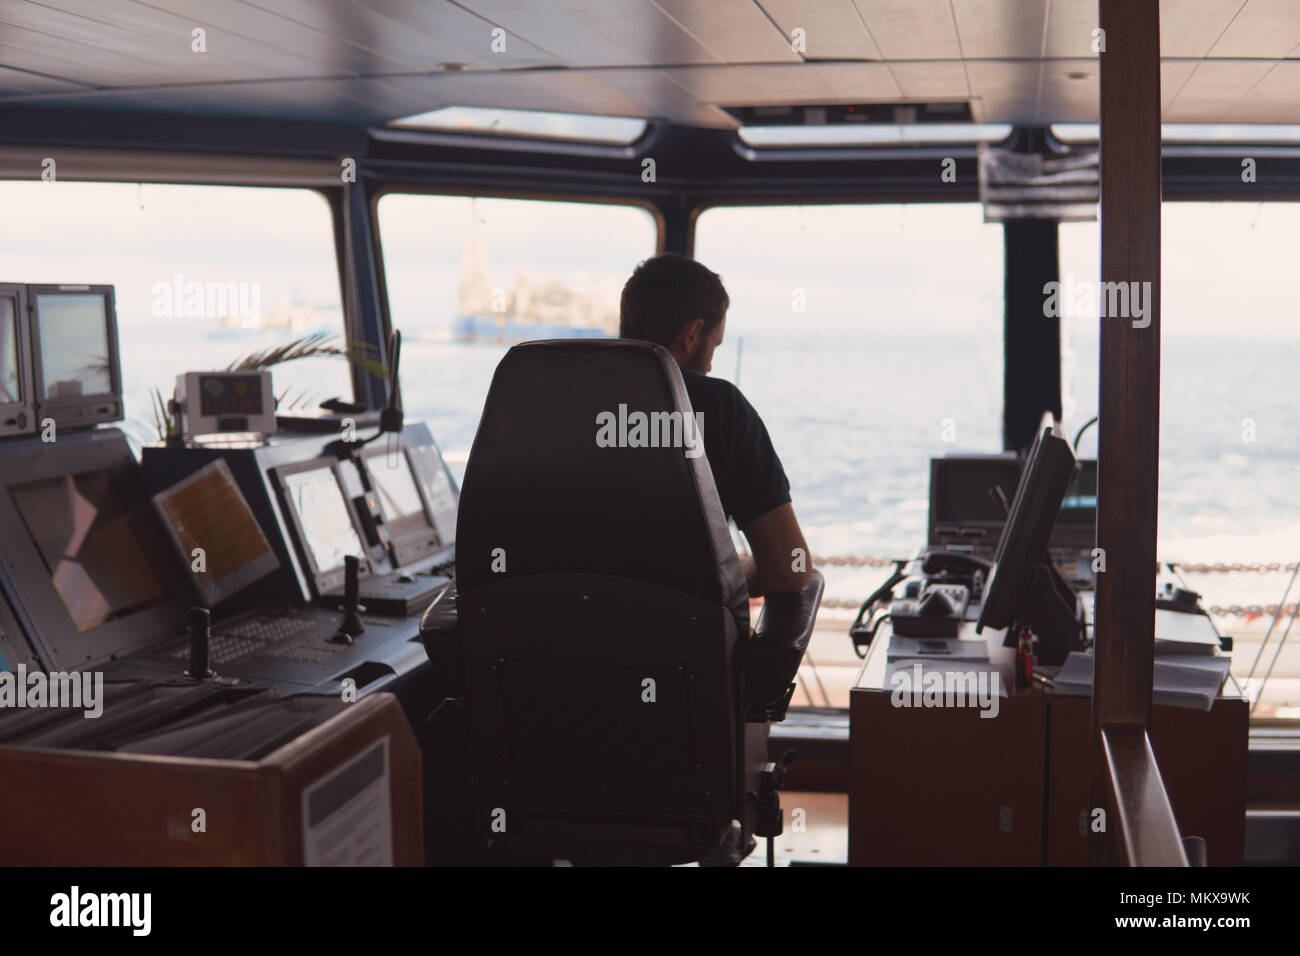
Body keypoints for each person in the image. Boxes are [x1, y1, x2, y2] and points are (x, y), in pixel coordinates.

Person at [619, 252, 811, 598]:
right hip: (679, 644)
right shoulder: (721, 408)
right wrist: (728, 574)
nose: (708, 366)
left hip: (546, 643)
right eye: (714, 346)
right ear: (692, 334)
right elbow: (789, 568)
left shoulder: (552, 399)